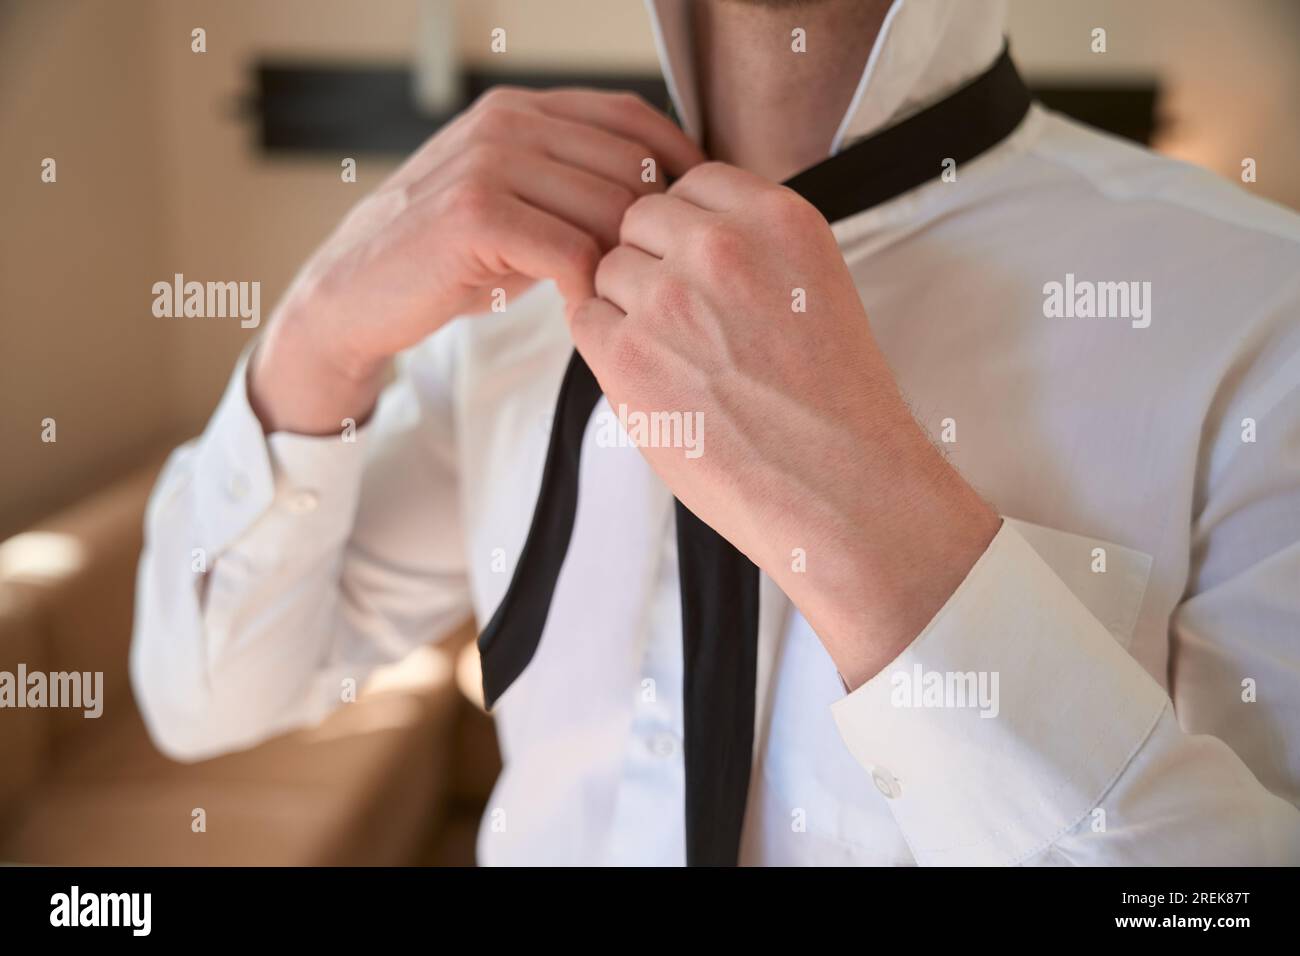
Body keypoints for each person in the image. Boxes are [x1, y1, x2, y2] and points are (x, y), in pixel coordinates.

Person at [130, 0, 1300, 865]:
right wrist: (319, 331)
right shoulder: (511, 282)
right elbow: (203, 695)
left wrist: (877, 530)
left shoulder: (1259, 308)